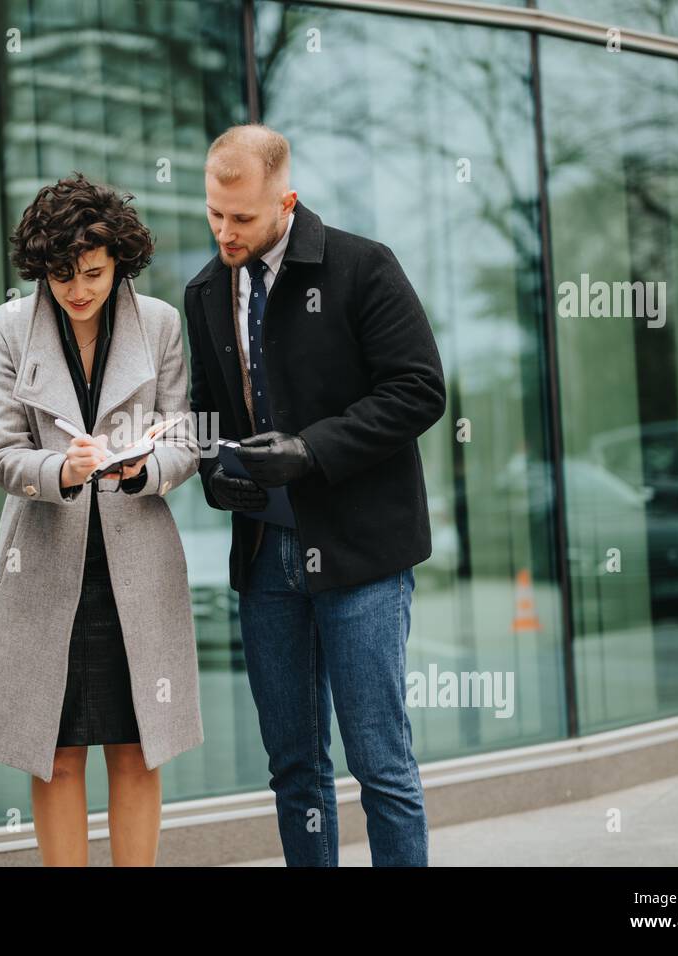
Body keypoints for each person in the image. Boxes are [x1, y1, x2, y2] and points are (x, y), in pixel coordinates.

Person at [184, 125, 446, 866]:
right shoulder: (204, 292)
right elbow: (207, 415)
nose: (225, 232)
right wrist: (216, 475)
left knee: (381, 765)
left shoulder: (362, 266)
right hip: (265, 558)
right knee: (293, 768)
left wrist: (309, 451)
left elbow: (419, 390)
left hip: (361, 553)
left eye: (242, 217)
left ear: (286, 201)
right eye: (214, 213)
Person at [0, 173, 202, 866]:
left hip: (137, 560)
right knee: (56, 753)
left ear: (119, 261)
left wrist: (144, 468)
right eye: (62, 274)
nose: (78, 289)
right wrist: (60, 470)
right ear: (40, 269)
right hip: (44, 561)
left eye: (93, 273)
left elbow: (186, 438)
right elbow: (1, 453)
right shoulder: (7, 328)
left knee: (137, 748)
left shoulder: (159, 323)